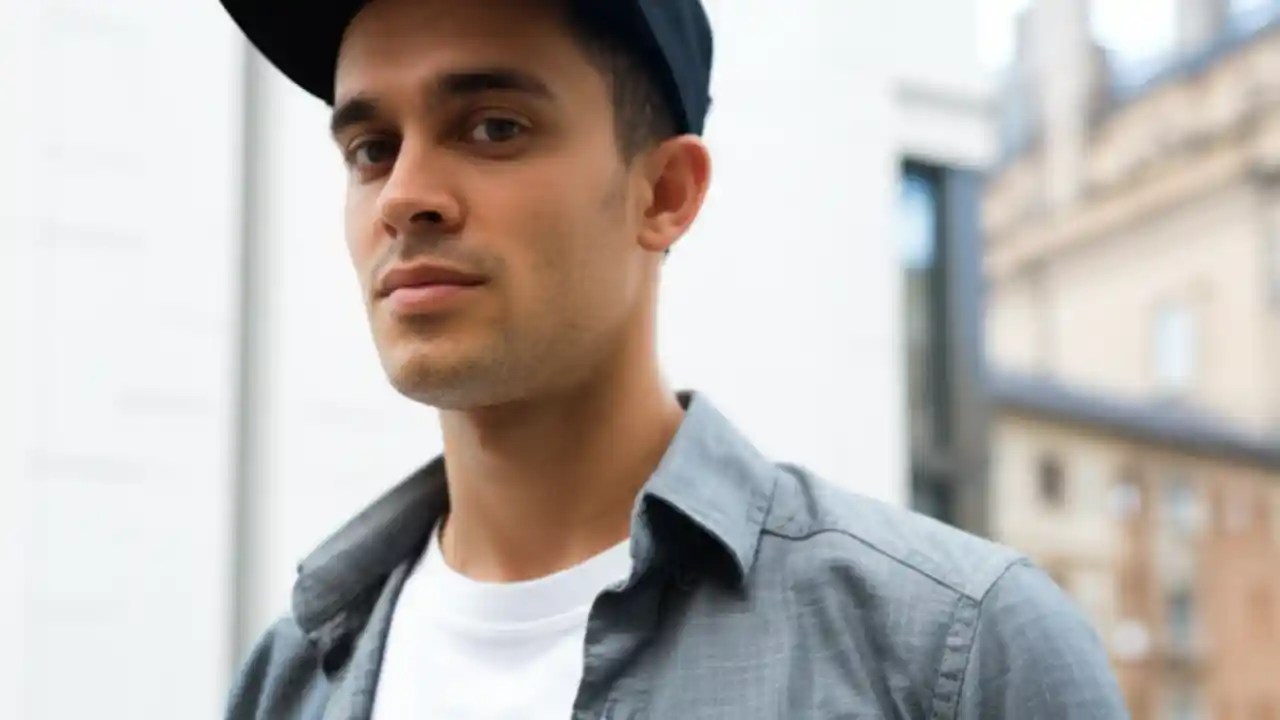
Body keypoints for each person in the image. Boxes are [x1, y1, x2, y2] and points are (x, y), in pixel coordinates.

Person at [220, 0, 1128, 718]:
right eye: (372, 149)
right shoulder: (290, 677)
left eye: (493, 127)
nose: (406, 196)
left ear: (664, 192)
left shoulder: (953, 651)